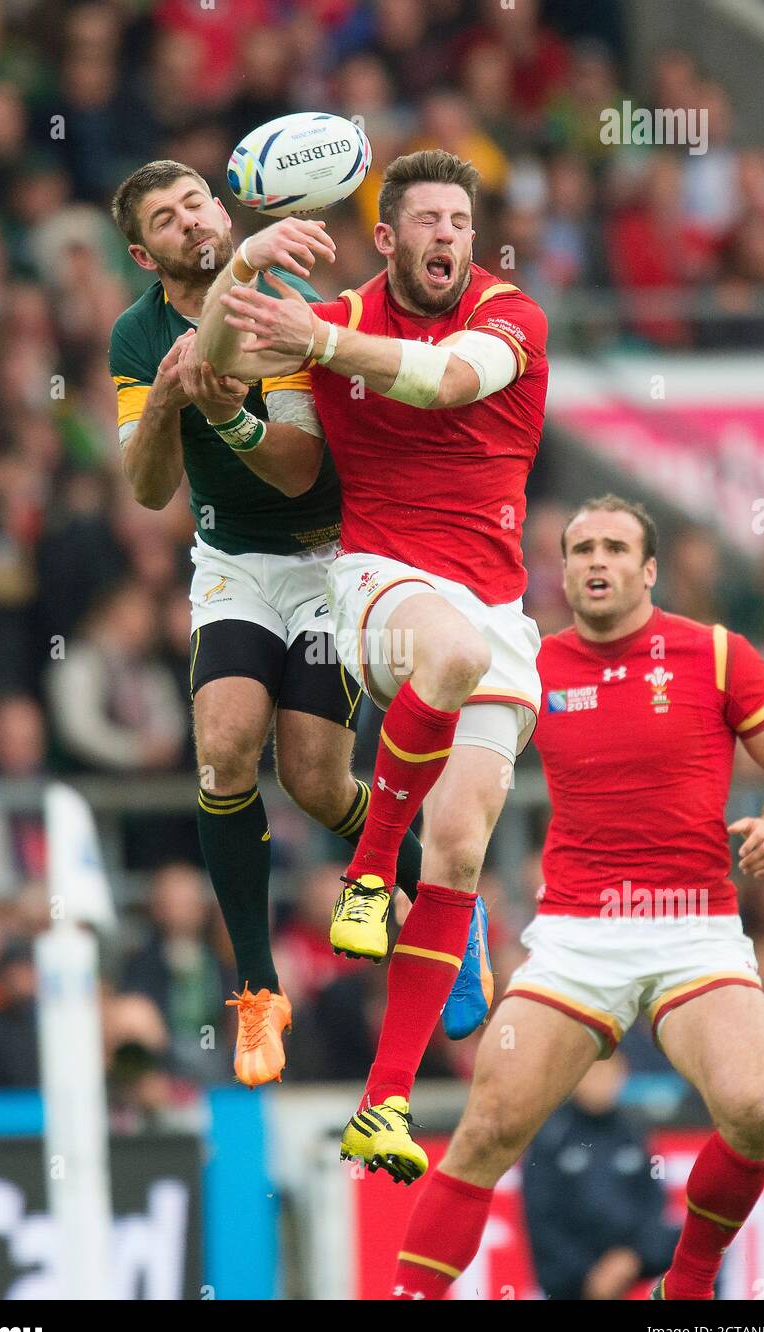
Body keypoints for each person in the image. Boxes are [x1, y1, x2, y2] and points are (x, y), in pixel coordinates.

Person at [193, 148, 548, 1181]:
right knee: (445, 651)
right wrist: (246, 266)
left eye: (459, 221)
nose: (448, 237)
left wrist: (322, 339)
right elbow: (225, 363)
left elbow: (445, 383)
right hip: (376, 583)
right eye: (426, 221)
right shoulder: (334, 316)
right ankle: (360, 879)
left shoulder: (509, 316)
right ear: (386, 237)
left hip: (496, 606)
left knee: (461, 846)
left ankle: (383, 1104)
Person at [389, 495, 764, 1299]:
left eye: (615, 548)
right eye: (580, 547)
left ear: (649, 570)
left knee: (758, 1110)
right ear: (561, 568)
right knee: (481, 1132)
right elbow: (456, 773)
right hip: (575, 939)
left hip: (694, 930)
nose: (595, 561)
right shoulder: (527, 662)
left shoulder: (718, 655)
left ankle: (682, 1291)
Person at [108, 160, 466, 1089]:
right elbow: (148, 490)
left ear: (222, 211)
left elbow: (303, 472)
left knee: (313, 782)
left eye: (197, 201)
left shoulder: (291, 303)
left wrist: (224, 422)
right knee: (224, 751)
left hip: (326, 560)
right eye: (166, 218)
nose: (191, 221)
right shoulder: (137, 337)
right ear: (145, 253)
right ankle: (260, 993)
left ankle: (444, 913)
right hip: (231, 564)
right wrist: (175, 402)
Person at [521, 1054, 679, 1300]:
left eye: (608, 1072)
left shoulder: (632, 1133)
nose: (601, 1082)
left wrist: (631, 1258)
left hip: (627, 1264)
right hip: (570, 1280)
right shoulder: (551, 1136)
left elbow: (654, 1206)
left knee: (707, 1245)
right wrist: (590, 1273)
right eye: (593, 1073)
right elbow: (541, 1219)